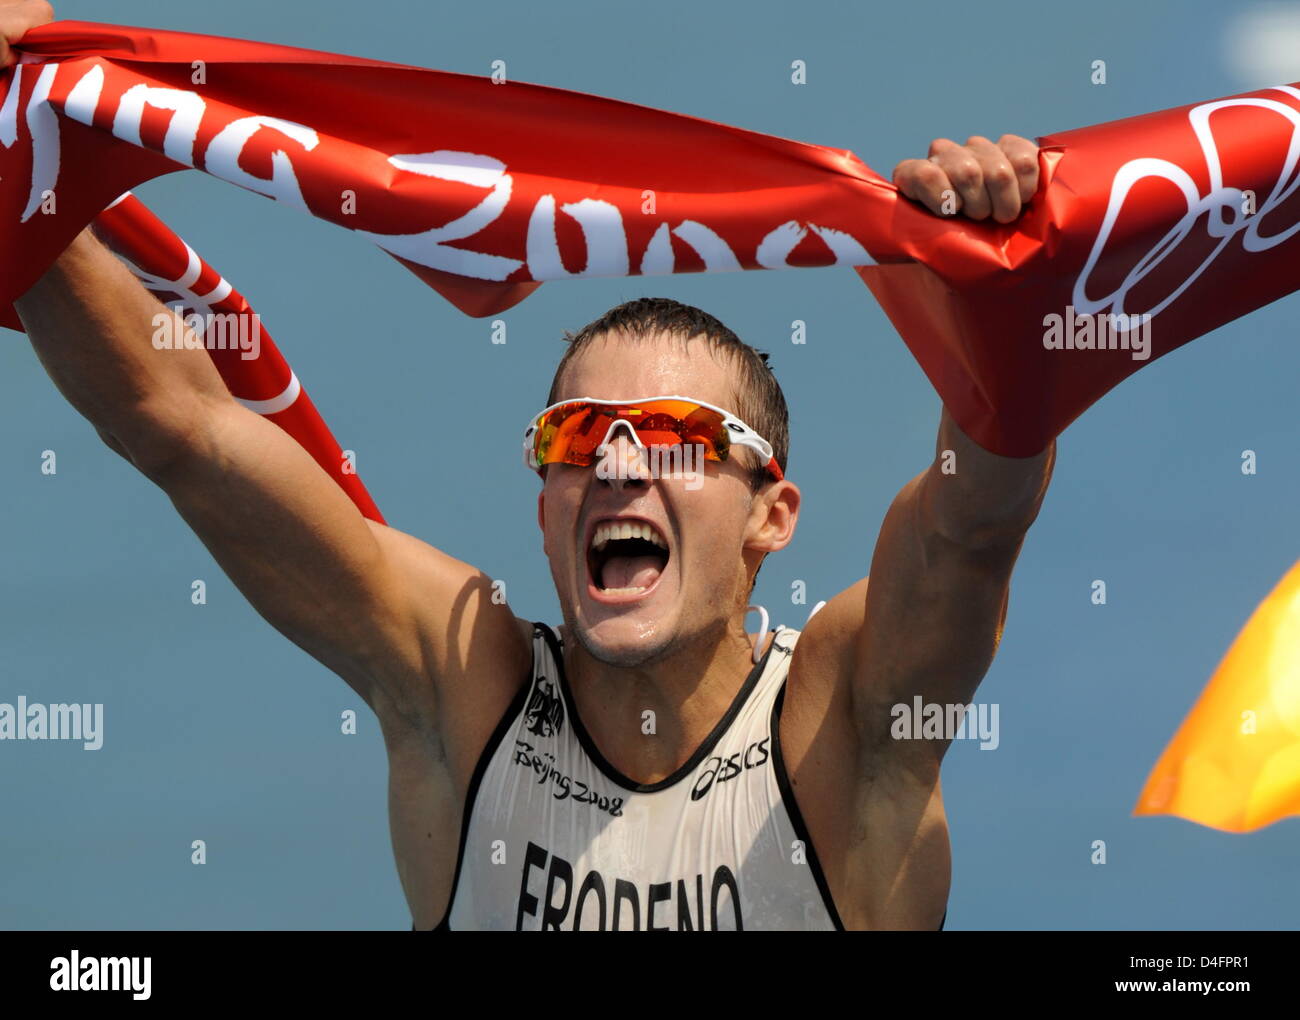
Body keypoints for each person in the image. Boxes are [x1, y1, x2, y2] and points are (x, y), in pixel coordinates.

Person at [4, 0, 1054, 930]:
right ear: (546, 504)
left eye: (677, 434)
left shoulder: (842, 719)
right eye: (577, 439)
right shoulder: (462, 688)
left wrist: (1006, 294)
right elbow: (182, 425)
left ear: (771, 514)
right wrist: (23, 151)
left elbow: (973, 526)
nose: (617, 466)